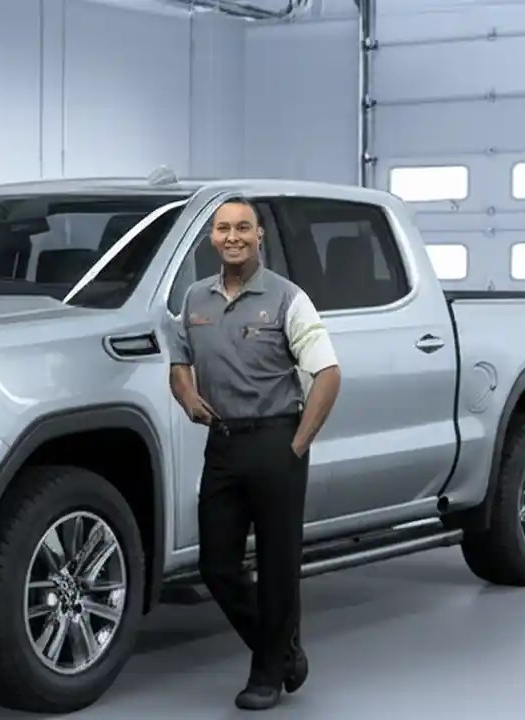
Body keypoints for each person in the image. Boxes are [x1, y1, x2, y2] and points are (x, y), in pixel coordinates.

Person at [168, 197, 341, 711]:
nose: (233, 236)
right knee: (217, 566)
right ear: (212, 239)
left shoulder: (288, 299)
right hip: (221, 443)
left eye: (243, 227)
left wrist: (296, 446)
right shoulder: (196, 300)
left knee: (278, 564)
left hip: (276, 440)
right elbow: (179, 360)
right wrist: (186, 395)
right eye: (223, 228)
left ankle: (266, 674)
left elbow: (327, 375)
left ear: (259, 235)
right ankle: (284, 651)